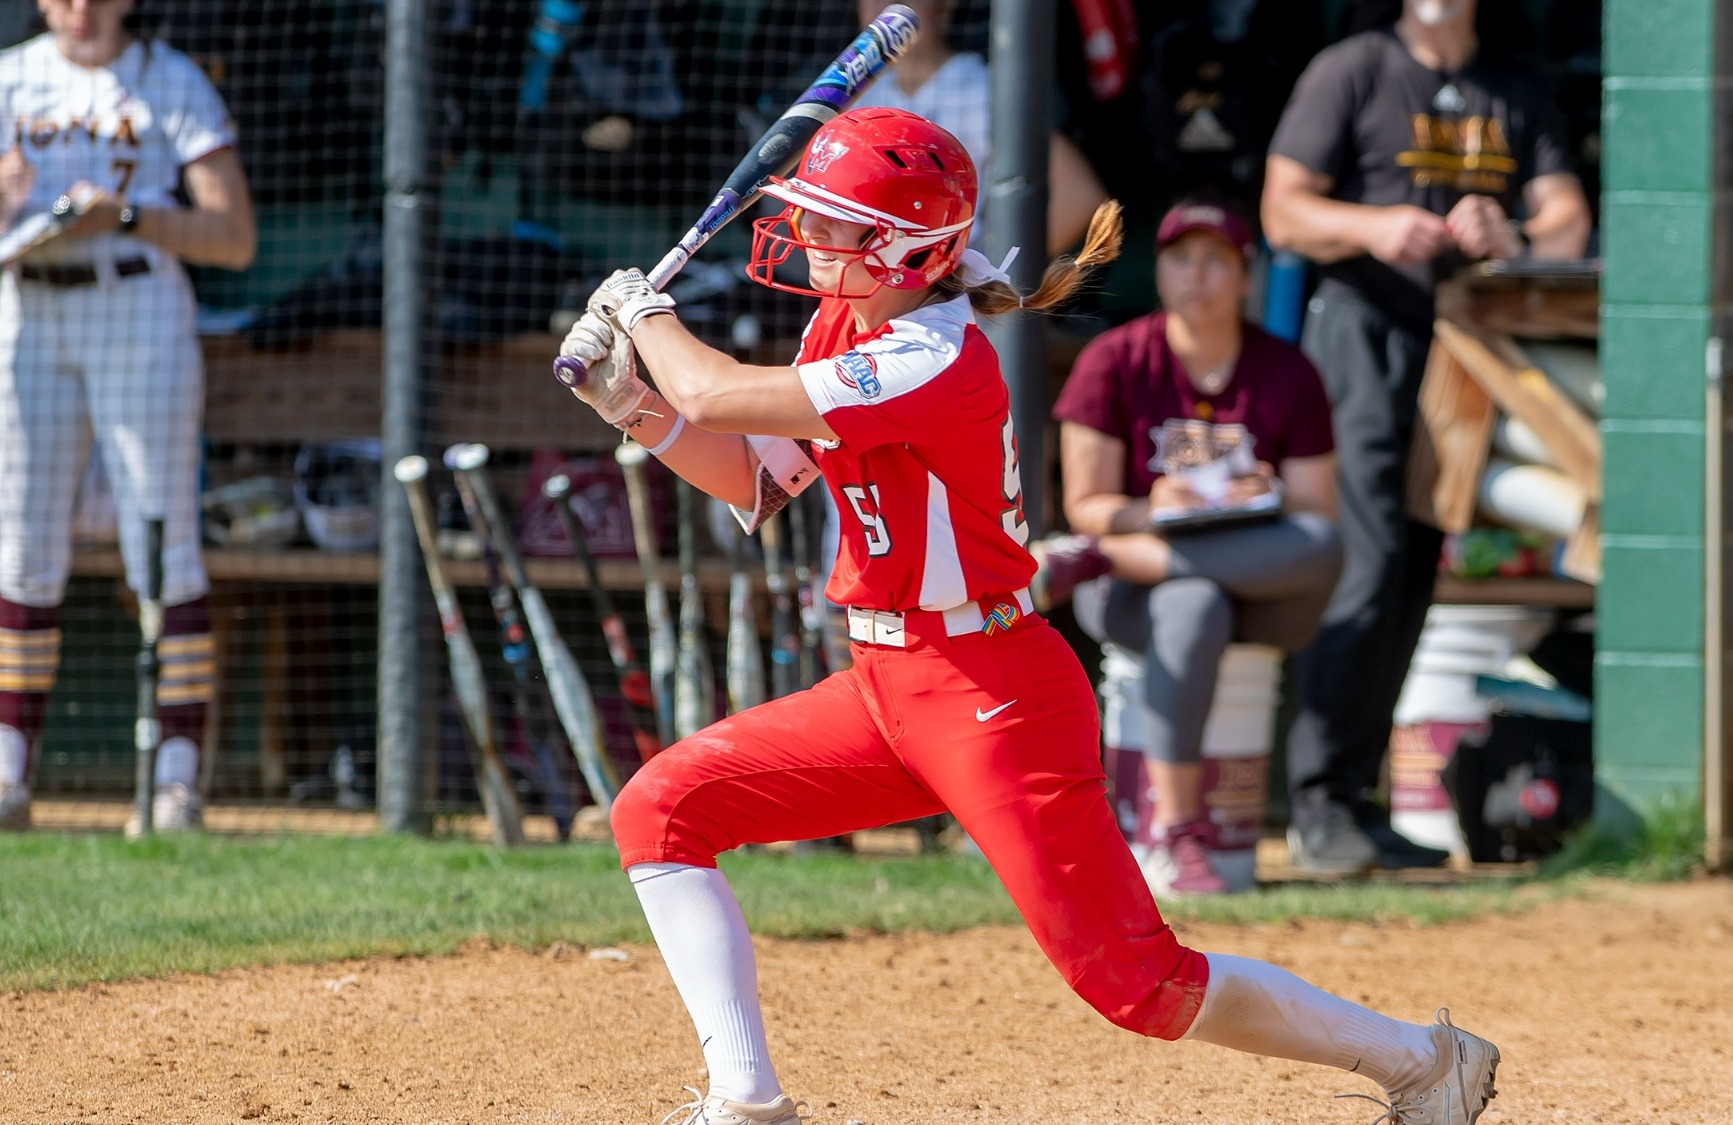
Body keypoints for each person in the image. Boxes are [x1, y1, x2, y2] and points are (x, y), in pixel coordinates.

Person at [552, 107, 1500, 1125]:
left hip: (991, 694)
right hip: (883, 684)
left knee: (1139, 985)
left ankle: (1422, 1061)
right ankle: (746, 1103)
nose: (807, 240)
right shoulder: (844, 325)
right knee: (660, 811)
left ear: (905, 250)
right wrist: (632, 410)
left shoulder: (934, 357)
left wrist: (642, 311)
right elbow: (751, 478)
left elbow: (720, 390)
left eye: (833, 225)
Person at [1260, 0, 1590, 874]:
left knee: (1413, 571)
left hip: (1463, 352)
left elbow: (1568, 217)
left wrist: (1512, 232)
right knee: (1363, 570)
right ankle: (1319, 806)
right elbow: (1282, 210)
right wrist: (1375, 226)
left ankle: (1358, 805)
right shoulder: (1355, 68)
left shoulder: (1512, 84)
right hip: (1363, 334)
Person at [0, 0, 258, 833]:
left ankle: (176, 781)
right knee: (21, 549)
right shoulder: (11, 78)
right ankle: (7, 771)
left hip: (136, 299)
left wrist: (130, 213)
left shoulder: (166, 79)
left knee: (163, 541)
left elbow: (234, 236)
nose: (79, 9)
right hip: (29, 312)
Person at [1039, 201, 1343, 897]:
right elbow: (1089, 506)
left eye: (1216, 260)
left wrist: (1259, 490)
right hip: (1138, 591)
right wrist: (1152, 507)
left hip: (1258, 581)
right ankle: (1179, 834)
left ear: (1246, 276)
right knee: (1192, 603)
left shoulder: (1287, 370)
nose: (1196, 275)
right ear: (1160, 271)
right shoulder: (1114, 359)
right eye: (1181, 258)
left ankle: (1099, 558)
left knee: (1322, 542)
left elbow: (1315, 511)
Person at [852, 0, 1109, 256]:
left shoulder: (983, 88)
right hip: (866, 272)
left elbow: (1081, 197)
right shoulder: (855, 93)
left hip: (947, 277)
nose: (884, 8)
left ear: (945, 6)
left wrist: (990, 281)